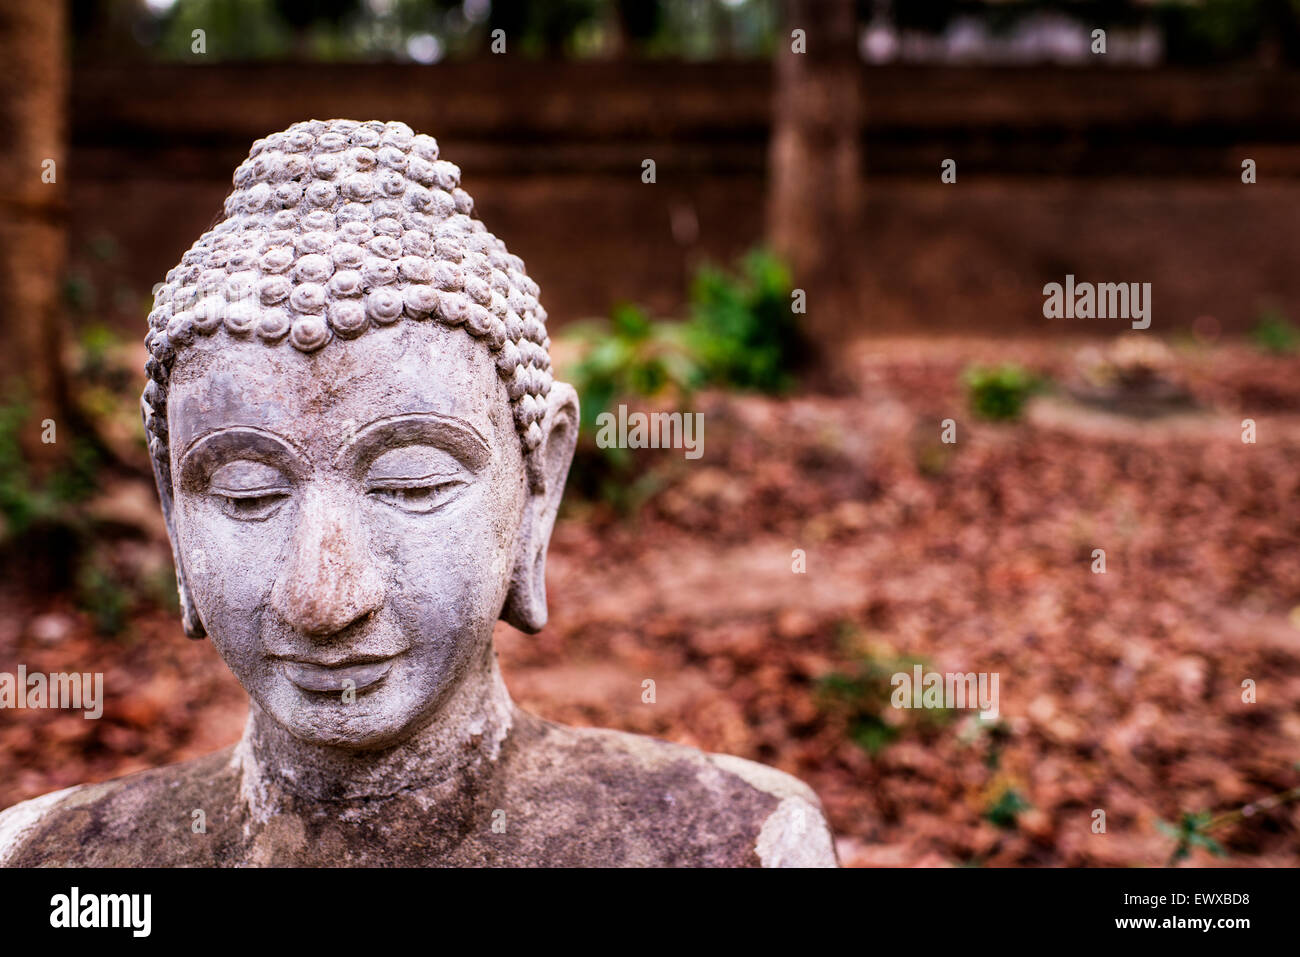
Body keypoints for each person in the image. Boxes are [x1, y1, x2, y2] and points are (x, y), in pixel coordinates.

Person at [0, 120, 835, 867]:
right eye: (249, 494)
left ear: (537, 487)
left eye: (412, 482)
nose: (324, 599)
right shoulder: (54, 863)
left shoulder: (733, 843)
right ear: (171, 508)